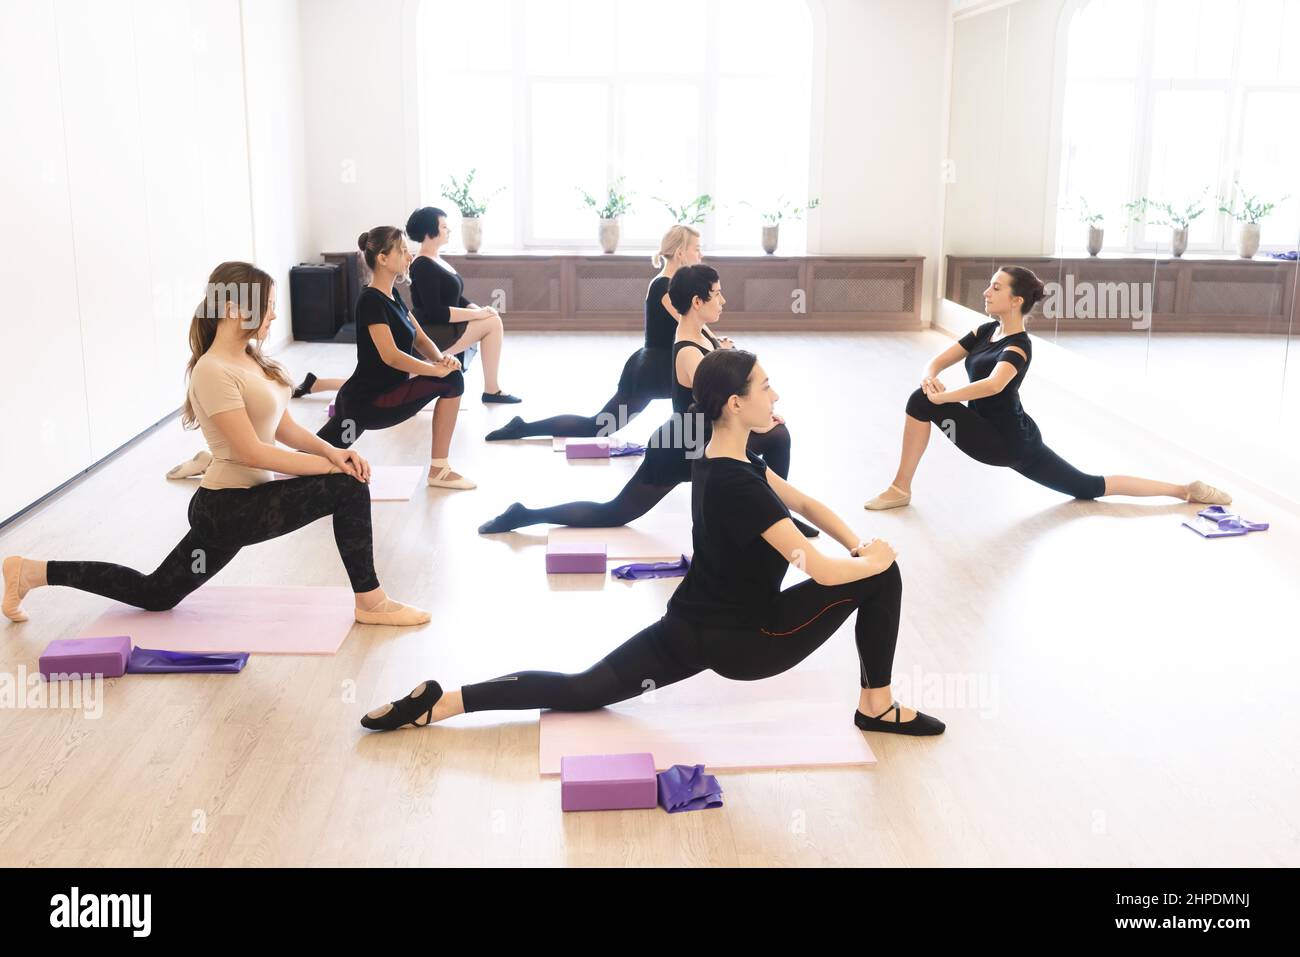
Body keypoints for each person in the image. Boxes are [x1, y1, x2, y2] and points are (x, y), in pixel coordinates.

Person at [362, 348, 943, 735]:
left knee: (582, 689)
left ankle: (444, 701)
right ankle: (877, 706)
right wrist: (875, 558)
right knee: (883, 577)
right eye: (767, 388)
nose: (776, 397)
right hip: (751, 642)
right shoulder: (741, 484)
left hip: (688, 626)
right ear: (736, 403)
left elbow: (807, 505)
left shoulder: (720, 459)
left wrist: (857, 541)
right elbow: (818, 569)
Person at [3, 262, 429, 626]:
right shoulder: (211, 370)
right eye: (267, 306)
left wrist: (332, 452)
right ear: (232, 307)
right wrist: (333, 470)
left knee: (156, 593)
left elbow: (284, 428)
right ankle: (371, 602)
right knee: (348, 488)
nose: (273, 315)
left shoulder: (253, 359)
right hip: (227, 507)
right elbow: (251, 453)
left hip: (242, 502)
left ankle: (29, 572)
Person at [478, 265, 815, 537]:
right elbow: (720, 406)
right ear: (697, 302)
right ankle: (524, 515)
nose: (723, 300)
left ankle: (778, 518)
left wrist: (727, 355)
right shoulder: (688, 352)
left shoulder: (701, 331)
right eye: (716, 294)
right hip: (682, 445)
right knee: (613, 513)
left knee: (778, 437)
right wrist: (761, 421)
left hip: (702, 437)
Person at [866, 265, 1233, 510]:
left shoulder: (1018, 346)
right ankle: (1186, 490)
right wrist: (929, 376)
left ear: (1016, 300)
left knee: (923, 402)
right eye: (989, 285)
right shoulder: (985, 331)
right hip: (1008, 435)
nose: (987, 292)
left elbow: (994, 385)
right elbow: (938, 360)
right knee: (1087, 487)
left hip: (1008, 443)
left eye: (996, 288)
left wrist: (943, 396)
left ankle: (1185, 489)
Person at [484, 225, 731, 440]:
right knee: (598, 427)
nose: (700, 254)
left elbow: (695, 328)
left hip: (661, 364)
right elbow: (690, 322)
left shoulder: (671, 284)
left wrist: (716, 345)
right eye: (696, 249)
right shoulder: (665, 286)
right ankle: (522, 427)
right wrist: (718, 349)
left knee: (602, 425)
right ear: (680, 253)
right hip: (654, 370)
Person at [317, 226, 475, 490]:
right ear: (382, 258)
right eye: (402, 251)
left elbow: (420, 339)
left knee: (452, 377)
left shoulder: (393, 296)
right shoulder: (370, 300)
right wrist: (433, 370)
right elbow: (390, 356)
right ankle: (439, 471)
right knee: (311, 460)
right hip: (368, 402)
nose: (409, 257)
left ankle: (439, 469)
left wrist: (442, 361)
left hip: (378, 396)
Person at [405, 206, 519, 404]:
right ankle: (492, 390)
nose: (449, 230)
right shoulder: (422, 265)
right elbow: (436, 312)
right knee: (493, 323)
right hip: (431, 332)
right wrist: (477, 315)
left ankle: (492, 389)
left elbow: (455, 297)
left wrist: (477, 309)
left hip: (442, 326)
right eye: (443, 227)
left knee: (492, 318)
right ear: (429, 233)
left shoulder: (435, 259)